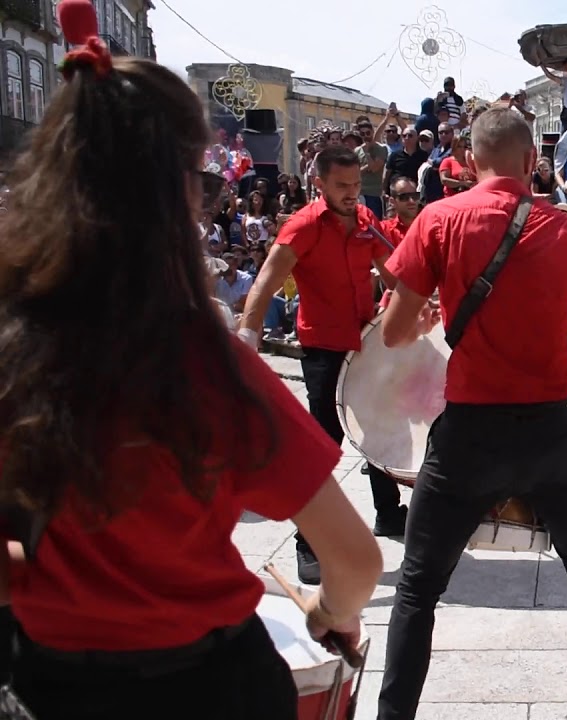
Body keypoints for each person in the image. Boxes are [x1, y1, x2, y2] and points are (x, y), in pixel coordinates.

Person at [0, 5, 382, 717]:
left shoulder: (13, 351)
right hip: (209, 684)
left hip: (51, 685)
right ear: (174, 194)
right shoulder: (204, 367)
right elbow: (356, 560)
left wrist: (63, 580)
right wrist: (333, 608)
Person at [373, 109, 567, 720]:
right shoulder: (566, 228)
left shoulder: (436, 219)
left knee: (418, 589)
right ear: (533, 160)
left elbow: (395, 335)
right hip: (546, 435)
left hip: (466, 438)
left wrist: (429, 317)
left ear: (468, 161)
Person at [240, 146, 409, 586]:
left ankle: (389, 515)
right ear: (319, 184)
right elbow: (265, 283)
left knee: (378, 429)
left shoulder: (366, 222)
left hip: (364, 345)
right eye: (342, 187)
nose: (353, 194)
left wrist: (416, 304)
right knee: (321, 447)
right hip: (324, 349)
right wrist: (246, 342)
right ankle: (307, 545)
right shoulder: (304, 226)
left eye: (356, 185)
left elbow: (392, 272)